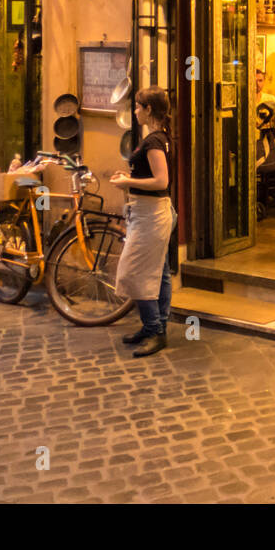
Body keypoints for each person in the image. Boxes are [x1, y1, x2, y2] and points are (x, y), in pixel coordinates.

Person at [110, 87, 176, 357]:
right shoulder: (157, 138)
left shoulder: (153, 142)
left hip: (152, 215)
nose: (135, 111)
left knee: (134, 272)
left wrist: (128, 181)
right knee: (159, 273)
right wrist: (129, 177)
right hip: (151, 212)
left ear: (149, 110)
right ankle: (155, 328)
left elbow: (162, 181)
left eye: (138, 107)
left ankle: (154, 328)